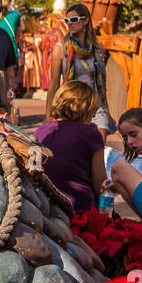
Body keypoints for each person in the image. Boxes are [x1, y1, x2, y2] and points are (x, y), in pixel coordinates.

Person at [32, 80, 109, 216]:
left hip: (45, 206)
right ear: (87, 110)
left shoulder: (40, 132)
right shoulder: (91, 134)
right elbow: (100, 184)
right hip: (81, 208)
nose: (92, 119)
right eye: (93, 114)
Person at [46, 2, 113, 133]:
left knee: (99, 145)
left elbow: (101, 84)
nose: (70, 23)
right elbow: (53, 84)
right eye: (67, 20)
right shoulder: (60, 49)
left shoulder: (97, 48)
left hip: (96, 105)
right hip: (73, 106)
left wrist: (108, 112)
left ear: (85, 21)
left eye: (74, 19)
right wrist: (48, 115)